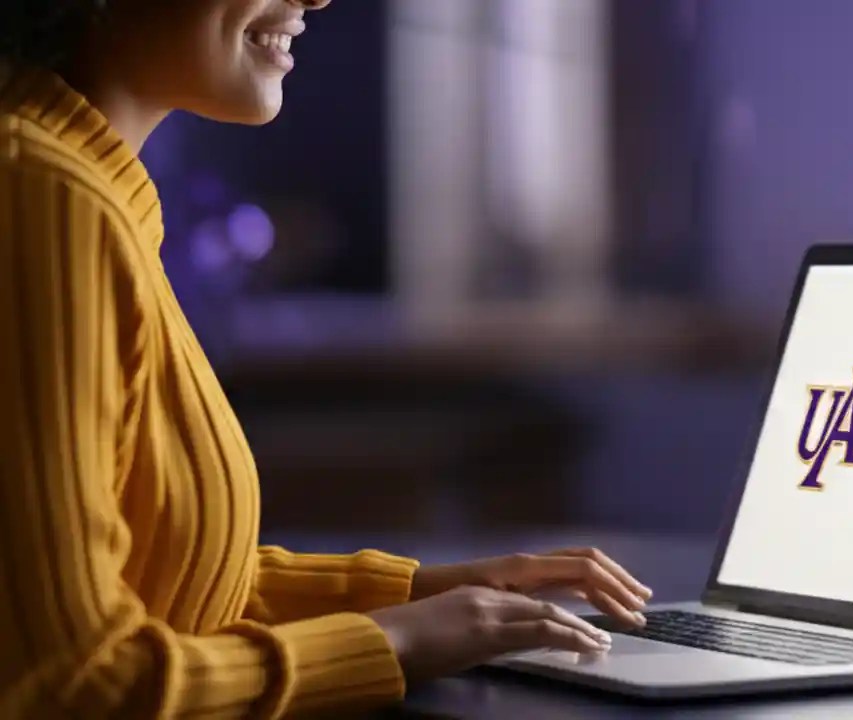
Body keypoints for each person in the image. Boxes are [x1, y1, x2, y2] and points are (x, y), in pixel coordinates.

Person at [0, 1, 651, 716]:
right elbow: (69, 683)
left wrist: (420, 595)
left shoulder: (83, 190)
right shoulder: (44, 197)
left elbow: (161, 582)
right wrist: (393, 642)